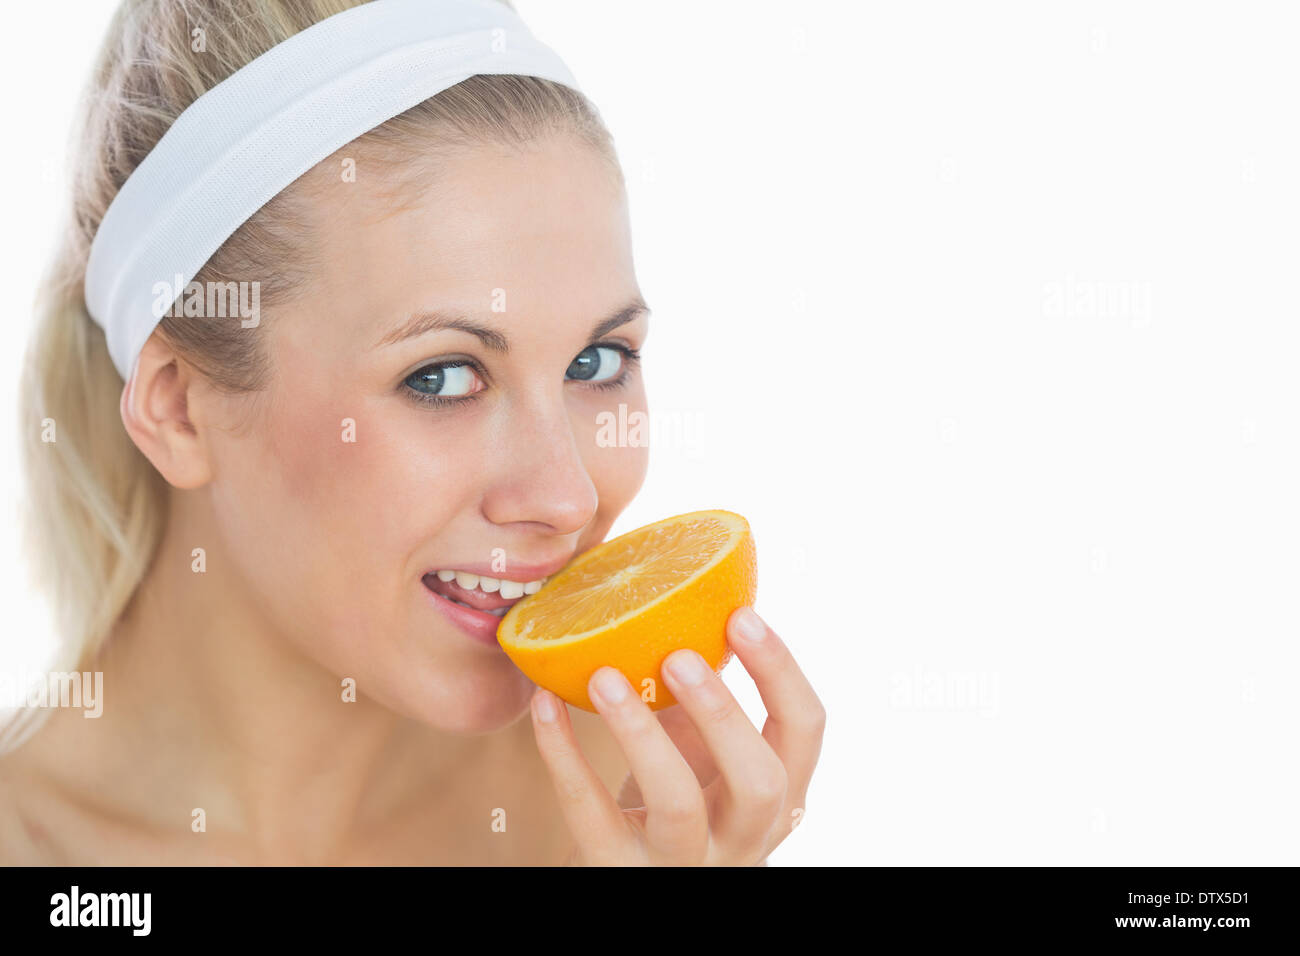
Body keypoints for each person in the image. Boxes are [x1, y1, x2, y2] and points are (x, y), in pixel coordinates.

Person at [0, 0, 824, 866]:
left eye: (596, 362)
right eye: (442, 377)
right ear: (177, 408)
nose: (567, 496)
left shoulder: (648, 807)